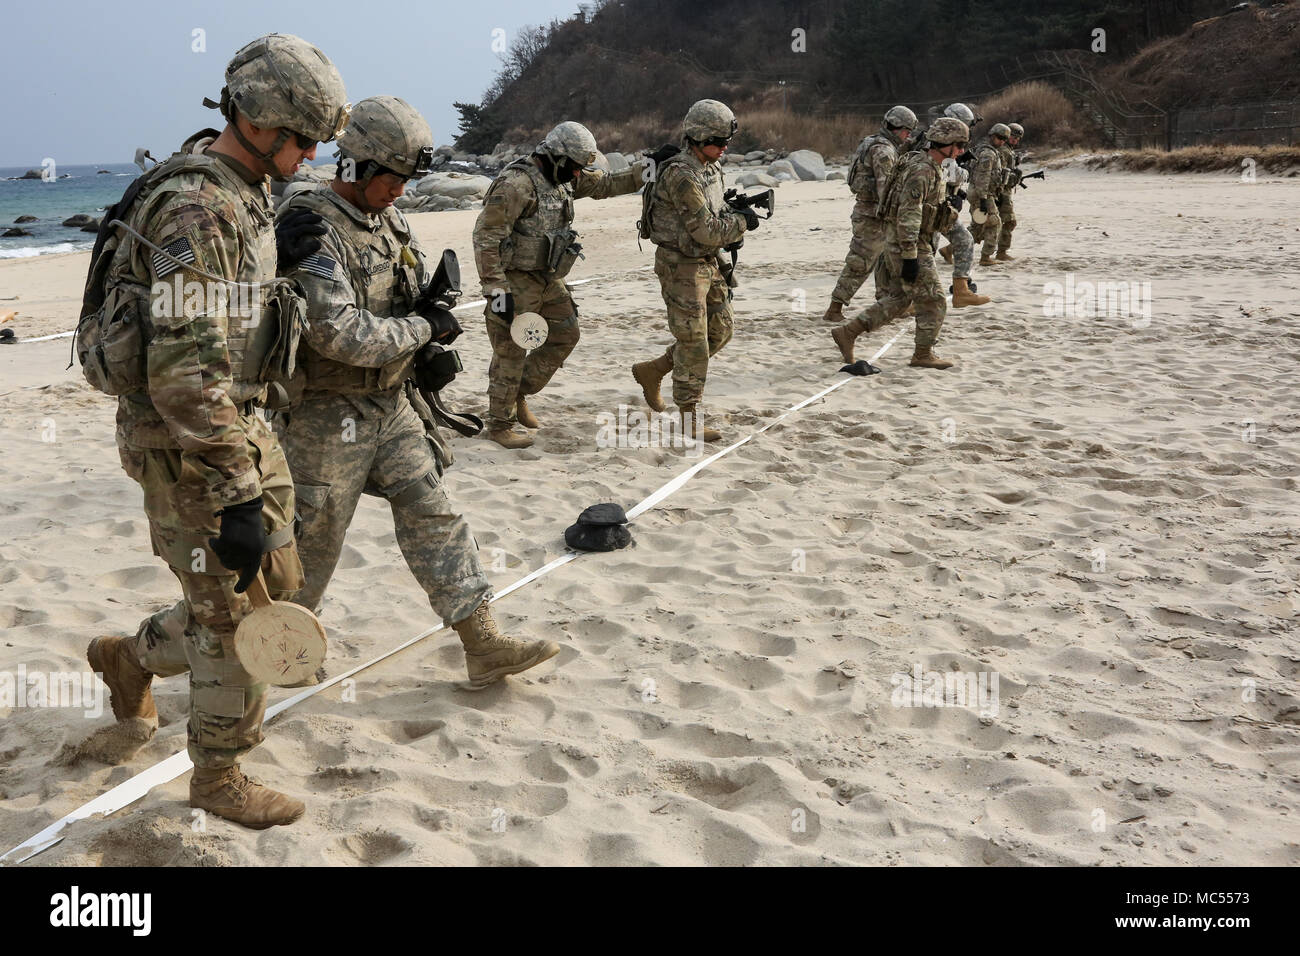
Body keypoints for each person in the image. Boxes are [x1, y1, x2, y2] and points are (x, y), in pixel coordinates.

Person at [85, 34, 350, 828]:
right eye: (302, 140)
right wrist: (234, 492)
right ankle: (219, 779)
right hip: (188, 447)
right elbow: (185, 372)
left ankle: (128, 660)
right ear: (265, 124)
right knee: (238, 617)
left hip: (239, 425)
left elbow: (233, 331)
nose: (307, 156)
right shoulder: (201, 209)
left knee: (280, 583)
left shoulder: (240, 190)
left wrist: (290, 267)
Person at [274, 96, 560, 687]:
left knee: (436, 515)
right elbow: (339, 334)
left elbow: (401, 301)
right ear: (355, 166)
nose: (399, 192)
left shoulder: (388, 222)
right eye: (390, 179)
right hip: (324, 416)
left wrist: (426, 325)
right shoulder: (312, 230)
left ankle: (482, 642)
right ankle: (282, 650)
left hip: (391, 404)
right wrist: (425, 327)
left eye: (407, 180)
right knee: (310, 547)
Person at [472, 121, 648, 449]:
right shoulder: (516, 185)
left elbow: (608, 184)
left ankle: (518, 393)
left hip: (549, 278)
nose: (578, 175)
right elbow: (486, 236)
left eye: (581, 169)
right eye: (575, 168)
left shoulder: (565, 179)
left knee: (566, 334)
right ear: (555, 157)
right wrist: (496, 291)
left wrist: (649, 168)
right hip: (515, 280)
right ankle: (499, 424)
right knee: (510, 350)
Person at [629, 99, 758, 443]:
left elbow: (714, 215)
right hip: (680, 266)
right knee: (694, 341)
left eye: (726, 142)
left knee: (722, 330)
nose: (723, 148)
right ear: (699, 139)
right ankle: (689, 417)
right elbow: (705, 230)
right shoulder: (681, 174)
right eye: (717, 142)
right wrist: (741, 223)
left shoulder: (709, 168)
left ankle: (653, 370)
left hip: (706, 261)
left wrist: (735, 211)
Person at [829, 117, 970, 371]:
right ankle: (923, 354)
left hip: (907, 241)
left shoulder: (925, 164)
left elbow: (924, 209)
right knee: (935, 299)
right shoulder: (922, 170)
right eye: (958, 146)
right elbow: (909, 214)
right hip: (910, 243)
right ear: (945, 143)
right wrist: (910, 256)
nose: (961, 151)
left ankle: (848, 332)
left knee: (900, 298)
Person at [821, 106, 918, 324]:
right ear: (898, 128)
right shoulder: (884, 151)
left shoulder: (873, 142)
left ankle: (888, 302)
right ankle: (834, 308)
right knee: (861, 263)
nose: (908, 136)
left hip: (871, 212)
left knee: (886, 261)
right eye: (907, 131)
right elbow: (886, 189)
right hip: (873, 215)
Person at [968, 123, 1010, 266]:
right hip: (981, 193)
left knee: (978, 227)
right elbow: (983, 177)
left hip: (983, 193)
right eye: (999, 138)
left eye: (1004, 139)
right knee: (994, 222)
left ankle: (950, 249)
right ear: (992, 135)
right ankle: (985, 257)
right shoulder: (988, 153)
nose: (1002, 141)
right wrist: (983, 199)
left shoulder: (989, 151)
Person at [992, 122, 1025, 261]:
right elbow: (1001, 175)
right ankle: (1001, 252)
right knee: (1009, 222)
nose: (1015, 140)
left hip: (1003, 191)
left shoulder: (1007, 150)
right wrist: (1014, 177)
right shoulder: (1004, 151)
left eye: (1017, 138)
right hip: (1002, 192)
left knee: (988, 225)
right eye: (1013, 136)